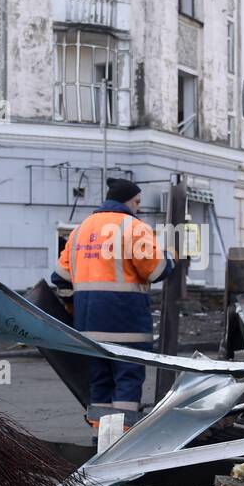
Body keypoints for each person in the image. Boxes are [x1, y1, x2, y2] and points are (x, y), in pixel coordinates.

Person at [53, 177, 168, 420]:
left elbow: (61, 278)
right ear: (128, 201)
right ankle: (121, 442)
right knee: (128, 381)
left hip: (89, 327)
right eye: (137, 201)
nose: (138, 207)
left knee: (100, 383)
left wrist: (74, 308)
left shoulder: (81, 229)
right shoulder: (134, 227)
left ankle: (100, 442)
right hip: (127, 325)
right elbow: (156, 271)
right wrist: (173, 258)